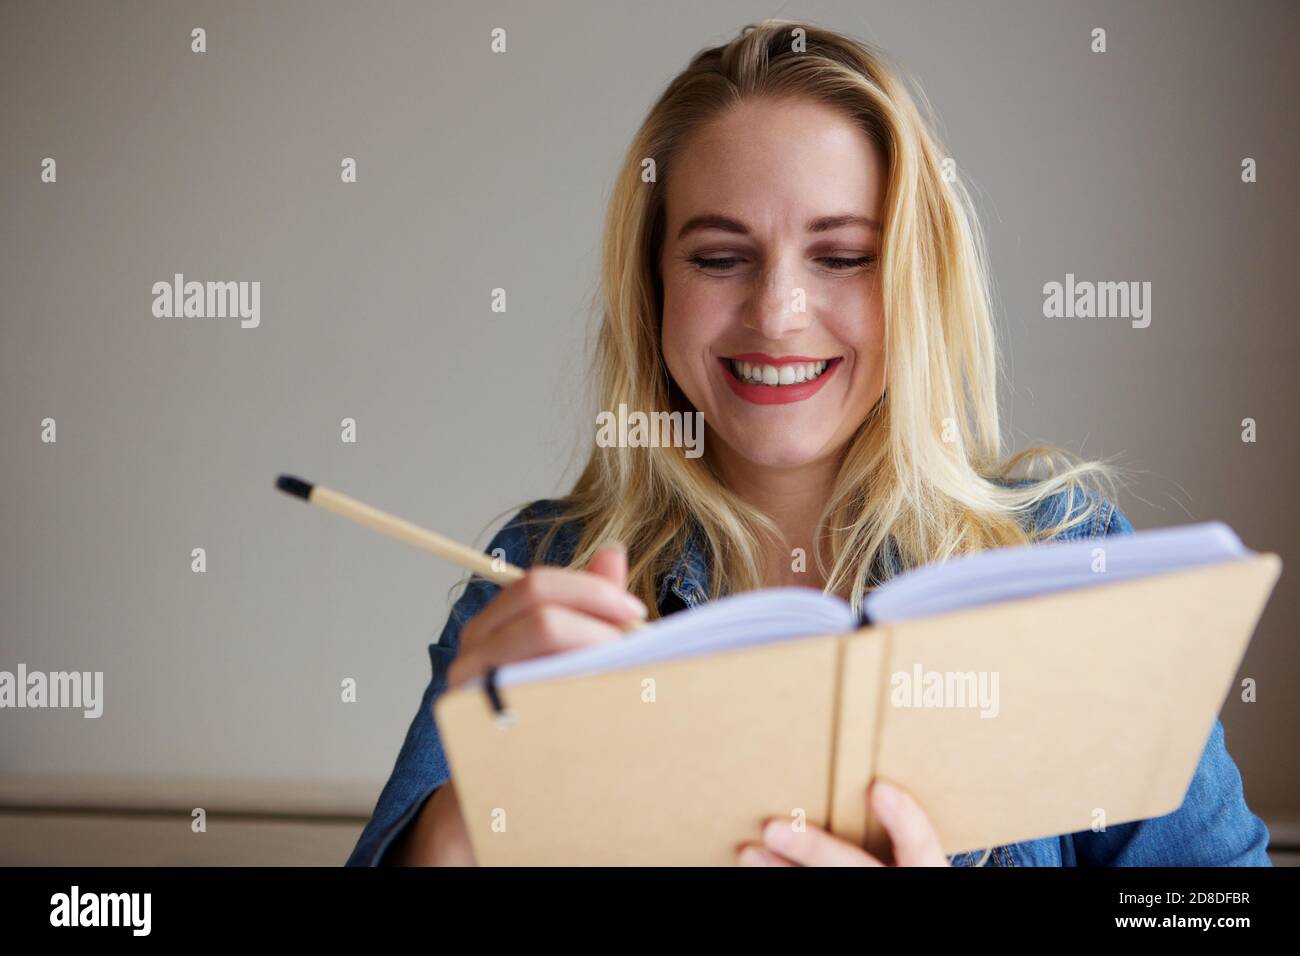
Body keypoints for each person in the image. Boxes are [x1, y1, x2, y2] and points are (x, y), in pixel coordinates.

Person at [347, 19, 1270, 867]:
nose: (778, 314)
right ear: (653, 288)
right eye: (719, 258)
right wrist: (471, 818)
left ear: (915, 280)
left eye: (842, 257)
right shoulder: (537, 576)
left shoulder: (1073, 566)